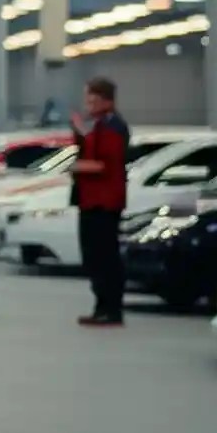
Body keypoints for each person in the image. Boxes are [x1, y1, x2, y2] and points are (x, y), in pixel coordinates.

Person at [70, 77, 130, 326]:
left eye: (91, 99)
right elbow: (87, 149)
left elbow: (106, 164)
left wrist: (78, 166)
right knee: (93, 256)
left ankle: (111, 308)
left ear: (106, 100)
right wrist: (79, 131)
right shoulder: (96, 125)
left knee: (105, 256)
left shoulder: (114, 126)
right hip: (90, 200)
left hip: (104, 202)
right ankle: (101, 306)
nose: (88, 104)